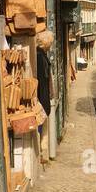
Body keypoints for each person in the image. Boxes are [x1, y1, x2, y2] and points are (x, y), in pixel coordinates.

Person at [35, 31, 55, 162]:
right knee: (41, 127)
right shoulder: (40, 57)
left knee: (43, 128)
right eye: (51, 43)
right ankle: (42, 154)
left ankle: (44, 153)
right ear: (47, 43)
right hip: (42, 100)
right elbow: (42, 81)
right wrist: (44, 103)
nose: (51, 45)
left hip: (43, 99)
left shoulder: (42, 55)